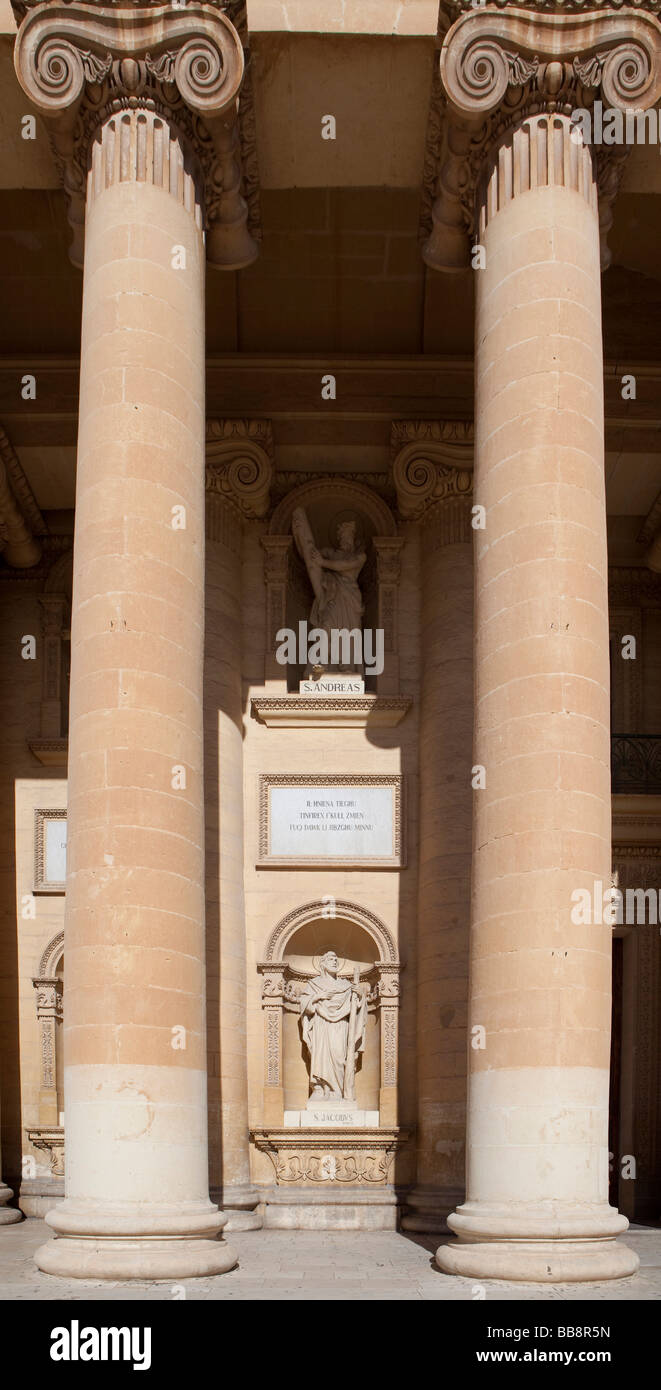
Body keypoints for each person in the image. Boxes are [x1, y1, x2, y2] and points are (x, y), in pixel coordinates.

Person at [299, 950, 367, 1099]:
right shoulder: (314, 984)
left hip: (341, 1026)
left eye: (336, 959)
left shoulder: (346, 985)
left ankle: (339, 1091)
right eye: (330, 959)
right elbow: (304, 1005)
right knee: (320, 1056)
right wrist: (318, 997)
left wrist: (361, 995)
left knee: (339, 1055)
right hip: (321, 1026)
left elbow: (357, 1008)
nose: (335, 961)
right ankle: (320, 1088)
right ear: (322, 964)